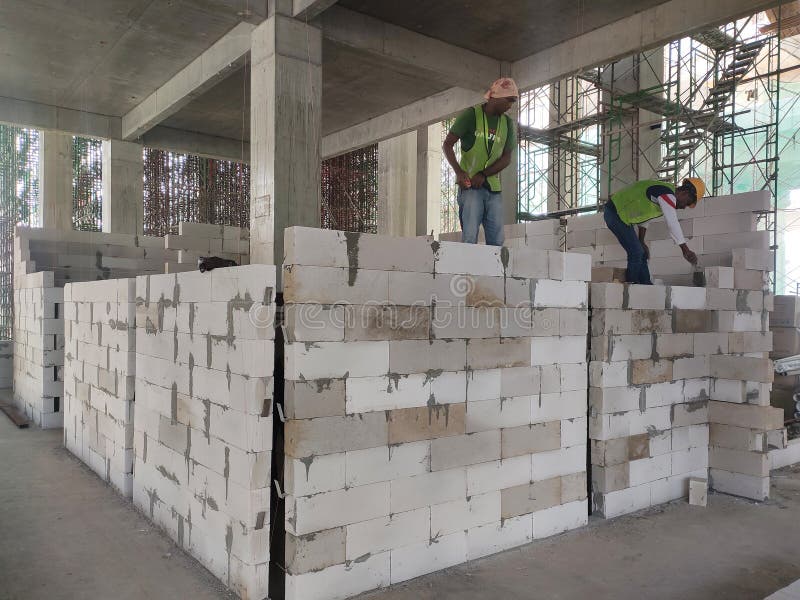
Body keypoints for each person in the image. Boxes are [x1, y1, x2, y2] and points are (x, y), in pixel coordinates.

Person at [443, 78, 518, 246]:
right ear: (496, 98)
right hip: (470, 188)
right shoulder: (471, 115)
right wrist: (459, 172)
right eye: (509, 101)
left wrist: (484, 174)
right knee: (470, 238)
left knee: (497, 241)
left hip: (493, 190)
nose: (510, 106)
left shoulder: (506, 123)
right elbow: (447, 144)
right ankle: (468, 272)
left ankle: (495, 273)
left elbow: (507, 157)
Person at [604, 178, 706, 285]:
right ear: (685, 193)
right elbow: (672, 222)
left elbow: (646, 217)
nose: (684, 207)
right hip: (614, 212)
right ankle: (630, 289)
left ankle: (646, 286)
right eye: (687, 203)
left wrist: (641, 241)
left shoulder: (663, 194)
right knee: (636, 252)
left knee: (641, 252)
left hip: (622, 217)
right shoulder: (666, 194)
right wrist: (685, 250)